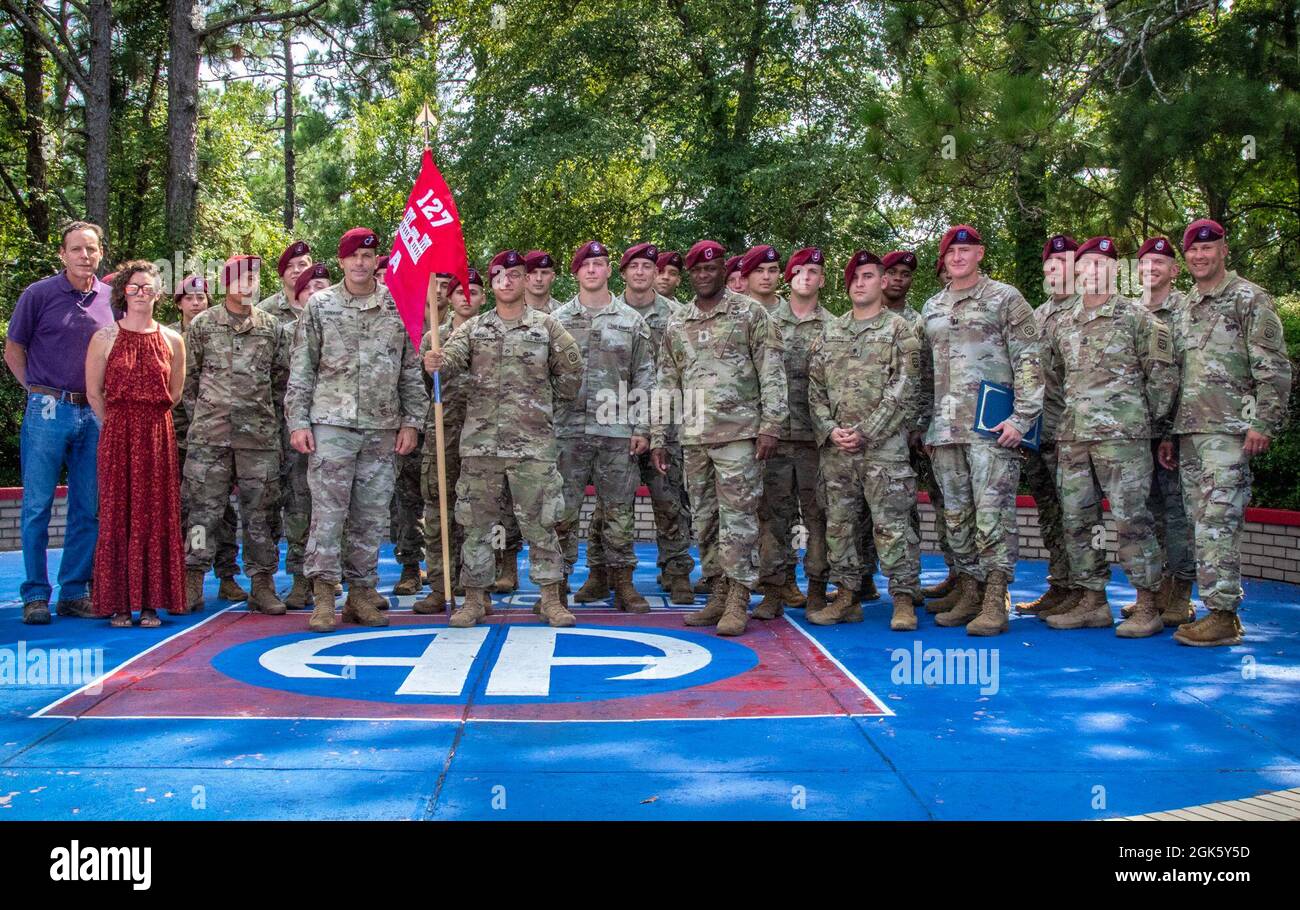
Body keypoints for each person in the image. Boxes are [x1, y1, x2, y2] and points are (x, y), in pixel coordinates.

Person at [423, 250, 583, 628]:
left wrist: (540, 411)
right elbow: (451, 360)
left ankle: (550, 598)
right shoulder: (474, 329)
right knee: (476, 525)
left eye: (514, 274)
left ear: (527, 280)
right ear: (492, 283)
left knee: (542, 523)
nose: (506, 281)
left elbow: (571, 377)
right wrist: (434, 361)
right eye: (499, 275)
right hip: (481, 447)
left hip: (532, 446)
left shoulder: (547, 327)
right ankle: (476, 599)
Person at [286, 227, 427, 633]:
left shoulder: (398, 305)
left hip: (382, 427)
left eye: (368, 256)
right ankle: (326, 595)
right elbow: (303, 367)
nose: (361, 264)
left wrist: (411, 421)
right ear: (343, 261)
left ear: (375, 259)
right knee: (328, 513)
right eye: (354, 257)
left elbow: (409, 371)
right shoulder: (321, 306)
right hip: (331, 425)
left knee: (370, 515)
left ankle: (362, 594)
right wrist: (298, 421)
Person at [1159, 218, 1291, 647]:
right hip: (1191, 431)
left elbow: (1273, 366)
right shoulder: (1185, 305)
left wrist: (1263, 422)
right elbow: (1176, 373)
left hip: (1230, 430)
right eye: (1193, 250)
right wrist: (1168, 432)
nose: (1200, 256)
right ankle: (1214, 606)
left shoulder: (1249, 298)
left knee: (1219, 520)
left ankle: (1223, 614)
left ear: (1223, 250)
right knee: (1202, 522)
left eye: (1208, 248)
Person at [651, 240, 788, 637]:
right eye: (697, 270)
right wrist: (660, 435)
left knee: (739, 520)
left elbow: (772, 373)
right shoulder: (678, 322)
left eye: (712, 269)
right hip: (694, 438)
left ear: (725, 271)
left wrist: (771, 426)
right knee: (706, 520)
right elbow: (665, 382)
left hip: (740, 435)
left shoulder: (750, 313)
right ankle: (716, 591)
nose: (704, 275)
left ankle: (738, 599)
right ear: (691, 275)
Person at [1042, 237, 1177, 636]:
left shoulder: (1138, 318)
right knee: (1078, 521)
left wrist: (1142, 424)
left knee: (1131, 521)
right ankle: (1093, 601)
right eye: (1085, 265)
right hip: (1074, 438)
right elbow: (1052, 379)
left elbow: (1162, 378)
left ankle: (1148, 603)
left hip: (1123, 437)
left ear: (1115, 271)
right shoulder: (1063, 323)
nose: (1092, 271)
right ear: (1076, 272)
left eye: (1102, 264)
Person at [919, 224, 1043, 636]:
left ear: (980, 253)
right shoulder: (932, 306)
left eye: (965, 249)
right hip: (944, 429)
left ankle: (995, 596)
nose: (957, 256)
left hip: (991, 427)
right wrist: (924, 425)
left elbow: (1029, 358)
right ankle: (970, 588)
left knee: (993, 515)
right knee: (956, 517)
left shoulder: (1005, 298)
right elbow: (924, 371)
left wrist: (1022, 418)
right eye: (951, 251)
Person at [5, 221, 116, 625]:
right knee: (37, 505)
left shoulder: (110, 299)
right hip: (48, 411)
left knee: (88, 506)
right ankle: (35, 594)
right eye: (76, 249)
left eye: (91, 249)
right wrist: (35, 390)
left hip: (93, 411)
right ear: (62, 254)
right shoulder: (39, 294)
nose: (84, 256)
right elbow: (14, 347)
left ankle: (74, 591)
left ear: (101, 252)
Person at [808, 250, 924, 628]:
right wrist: (830, 429)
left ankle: (903, 599)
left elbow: (904, 388)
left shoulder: (900, 330)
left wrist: (867, 431)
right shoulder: (831, 331)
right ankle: (847, 597)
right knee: (840, 526)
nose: (861, 283)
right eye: (855, 277)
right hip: (838, 452)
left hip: (883, 450)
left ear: (883, 282)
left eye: (869, 276)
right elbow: (815, 390)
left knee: (891, 526)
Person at [578, 242, 696, 605]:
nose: (642, 273)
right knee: (609, 506)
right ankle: (600, 574)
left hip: (665, 422)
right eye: (635, 267)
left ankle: (676, 573)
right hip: (612, 426)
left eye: (648, 266)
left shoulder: (677, 315)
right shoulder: (605, 312)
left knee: (669, 500)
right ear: (624, 272)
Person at [182, 255, 292, 615]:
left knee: (261, 513)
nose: (247, 284)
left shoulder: (271, 327)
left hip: (258, 440)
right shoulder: (202, 324)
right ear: (226, 282)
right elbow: (188, 381)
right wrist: (202, 418)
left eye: (253, 278)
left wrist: (269, 423)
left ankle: (262, 583)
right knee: (201, 512)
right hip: (209, 437)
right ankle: (192, 579)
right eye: (240, 278)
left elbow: (281, 380)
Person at [552, 241, 655, 611]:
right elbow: (542, 378)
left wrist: (642, 428)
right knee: (562, 512)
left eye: (599, 264)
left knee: (619, 512)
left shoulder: (631, 321)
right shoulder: (557, 321)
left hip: (617, 433)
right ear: (576, 272)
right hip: (567, 431)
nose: (593, 270)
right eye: (586, 265)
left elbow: (645, 377)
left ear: (610, 270)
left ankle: (623, 584)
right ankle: (557, 586)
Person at [84, 262, 187, 626]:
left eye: (148, 287)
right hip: (118, 433)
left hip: (157, 433)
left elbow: (174, 393)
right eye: (134, 287)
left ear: (158, 293)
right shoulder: (104, 337)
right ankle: (120, 603)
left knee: (156, 514)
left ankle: (150, 603)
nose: (141, 293)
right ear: (122, 293)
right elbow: (94, 393)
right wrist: (118, 423)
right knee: (119, 513)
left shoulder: (173, 339)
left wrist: (147, 418)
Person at [1119, 237, 1197, 626]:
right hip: (1137, 429)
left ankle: (1181, 590)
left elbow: (1185, 371)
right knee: (1147, 511)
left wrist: (1168, 428)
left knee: (1177, 510)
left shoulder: (1185, 310)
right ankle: (1158, 589)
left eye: (1160, 262)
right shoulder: (1129, 312)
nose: (1151, 268)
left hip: (1178, 426)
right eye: (1145, 262)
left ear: (1174, 270)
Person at [753, 247, 832, 618]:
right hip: (776, 438)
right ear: (789, 277)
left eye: (813, 271)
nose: (806, 276)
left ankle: (817, 588)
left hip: (817, 439)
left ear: (822, 279)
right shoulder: (764, 320)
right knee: (773, 518)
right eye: (799, 270)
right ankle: (774, 589)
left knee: (819, 518)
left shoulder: (835, 325)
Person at [1013, 235, 1083, 618]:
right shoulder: (1035, 316)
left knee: (1077, 515)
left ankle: (1083, 590)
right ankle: (1060, 584)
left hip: (1074, 431)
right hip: (1039, 432)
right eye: (1051, 262)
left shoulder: (1088, 311)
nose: (1057, 267)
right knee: (1050, 514)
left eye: (1065, 260)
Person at [168, 275, 243, 602]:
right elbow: (178, 391)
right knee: (195, 511)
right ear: (179, 303)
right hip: (186, 439)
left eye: (201, 297)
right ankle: (190, 575)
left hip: (224, 435)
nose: (196, 302)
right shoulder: (169, 337)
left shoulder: (222, 332)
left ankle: (227, 574)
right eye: (189, 298)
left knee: (224, 510)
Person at [413, 268, 483, 614]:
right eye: (459, 292)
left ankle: (474, 587)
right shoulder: (433, 340)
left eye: (473, 291)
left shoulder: (489, 334)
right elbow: (421, 389)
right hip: (442, 434)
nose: (466, 298)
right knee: (437, 511)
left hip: (481, 436)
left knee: (477, 515)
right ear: (449, 298)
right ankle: (440, 586)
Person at [882, 250, 933, 604]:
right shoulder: (858, 317)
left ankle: (908, 582)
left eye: (905, 274)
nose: (899, 278)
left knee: (905, 510)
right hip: (870, 434)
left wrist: (920, 424)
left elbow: (926, 377)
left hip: (908, 431)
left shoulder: (920, 322)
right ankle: (862, 579)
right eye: (892, 272)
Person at [257, 240, 313, 315]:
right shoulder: (264, 310)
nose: (296, 270)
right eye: (289, 266)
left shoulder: (326, 304)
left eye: (302, 264)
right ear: (282, 276)